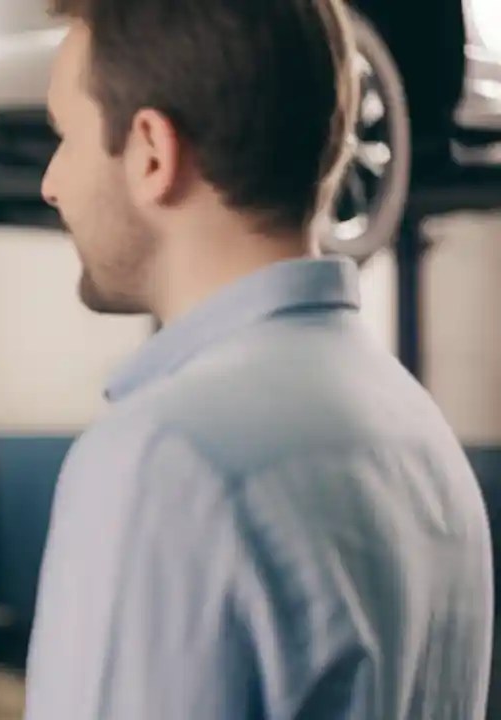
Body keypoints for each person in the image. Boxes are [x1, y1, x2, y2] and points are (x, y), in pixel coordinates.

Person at [28, 0, 492, 718]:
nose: (50, 182)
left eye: (65, 137)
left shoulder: (165, 460)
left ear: (152, 151)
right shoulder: (419, 435)